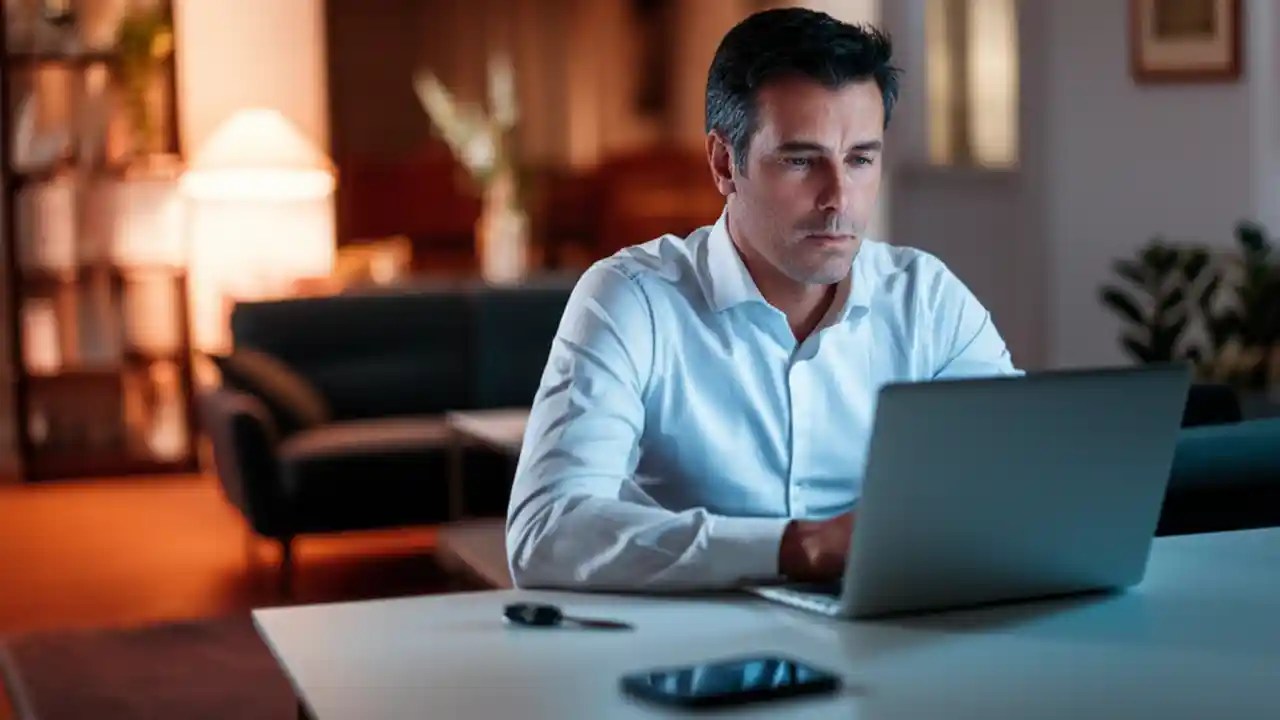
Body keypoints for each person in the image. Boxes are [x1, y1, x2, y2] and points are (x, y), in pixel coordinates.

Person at [505, 8, 1018, 591]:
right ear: (725, 163)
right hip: (686, 638)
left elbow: (1021, 481)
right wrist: (796, 548)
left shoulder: (926, 299)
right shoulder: (633, 299)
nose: (839, 198)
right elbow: (546, 532)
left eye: (860, 159)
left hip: (889, 628)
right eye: (801, 160)